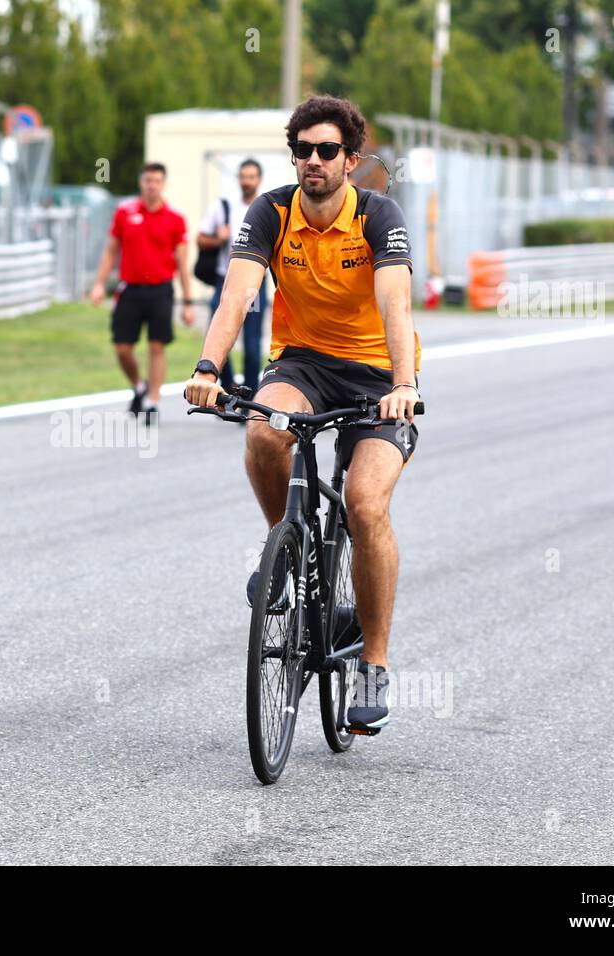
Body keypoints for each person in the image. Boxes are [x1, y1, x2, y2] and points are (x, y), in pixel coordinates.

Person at [184, 95, 420, 734]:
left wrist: (403, 384)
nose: (313, 161)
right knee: (263, 430)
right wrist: (208, 368)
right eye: (303, 150)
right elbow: (237, 292)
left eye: (327, 151)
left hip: (376, 375)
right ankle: (285, 556)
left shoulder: (379, 215)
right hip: (304, 364)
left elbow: (396, 303)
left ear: (350, 159)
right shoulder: (272, 210)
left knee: (365, 501)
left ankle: (372, 662)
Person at [89, 163, 196, 425]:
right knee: (122, 348)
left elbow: (182, 262)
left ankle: (152, 400)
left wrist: (188, 302)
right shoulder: (125, 213)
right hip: (130, 289)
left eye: (157, 181)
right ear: (141, 182)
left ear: (163, 184)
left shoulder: (175, 218)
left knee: (156, 346)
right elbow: (110, 251)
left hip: (160, 289)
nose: (152, 185)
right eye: (148, 180)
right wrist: (99, 283)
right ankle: (138, 385)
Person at [195, 158, 267, 396]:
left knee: (252, 343)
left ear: (259, 180)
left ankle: (248, 394)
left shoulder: (265, 208)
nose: (247, 181)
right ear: (238, 179)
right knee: (216, 335)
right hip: (223, 281)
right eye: (243, 176)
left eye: (251, 177)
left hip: (253, 287)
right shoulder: (223, 207)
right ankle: (226, 386)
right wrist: (219, 238)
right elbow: (200, 239)